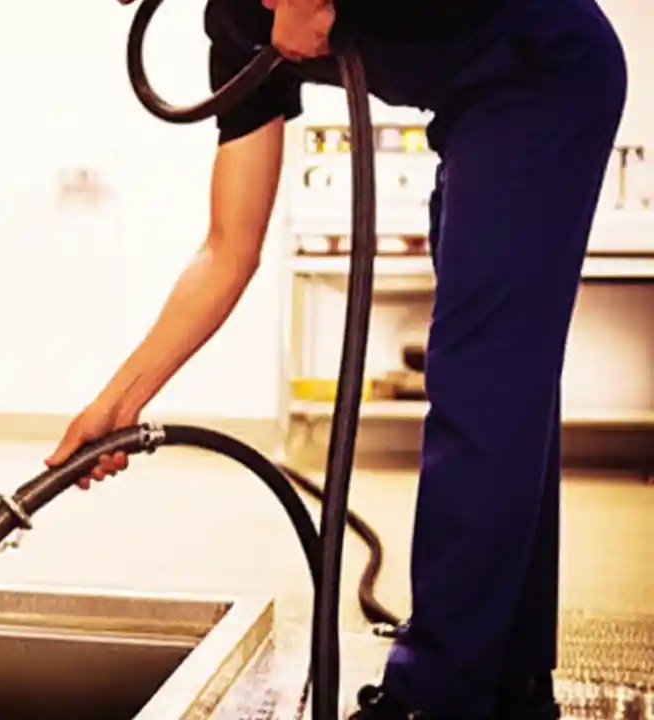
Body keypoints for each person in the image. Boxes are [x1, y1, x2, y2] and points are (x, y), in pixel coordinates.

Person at [46, 0, 629, 717]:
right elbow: (229, 246)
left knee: (482, 383)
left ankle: (438, 698)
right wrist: (119, 401)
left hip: (547, 72)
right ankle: (510, 676)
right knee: (505, 380)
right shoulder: (235, 29)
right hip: (474, 115)